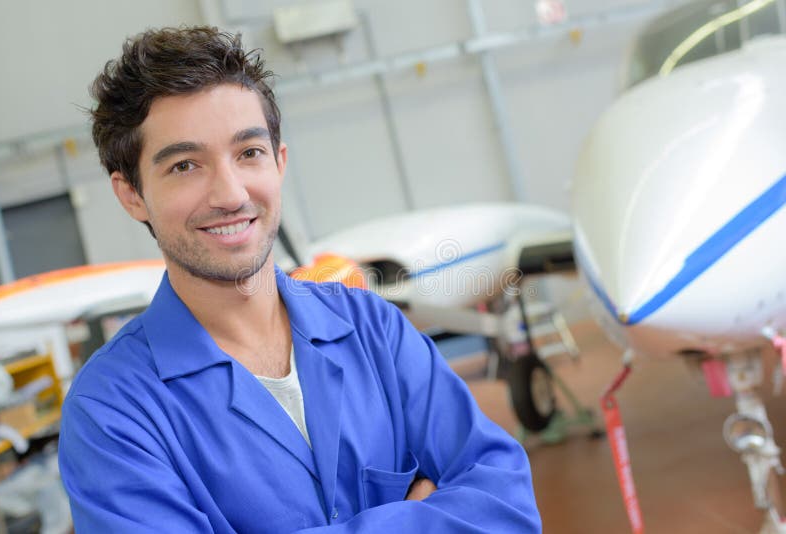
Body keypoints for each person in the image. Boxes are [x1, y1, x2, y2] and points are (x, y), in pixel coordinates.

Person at [58, 26, 542, 533]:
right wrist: (417, 515)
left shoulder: (374, 329)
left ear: (279, 161)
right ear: (131, 194)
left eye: (249, 153)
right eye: (185, 165)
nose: (230, 193)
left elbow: (506, 503)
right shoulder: (112, 414)